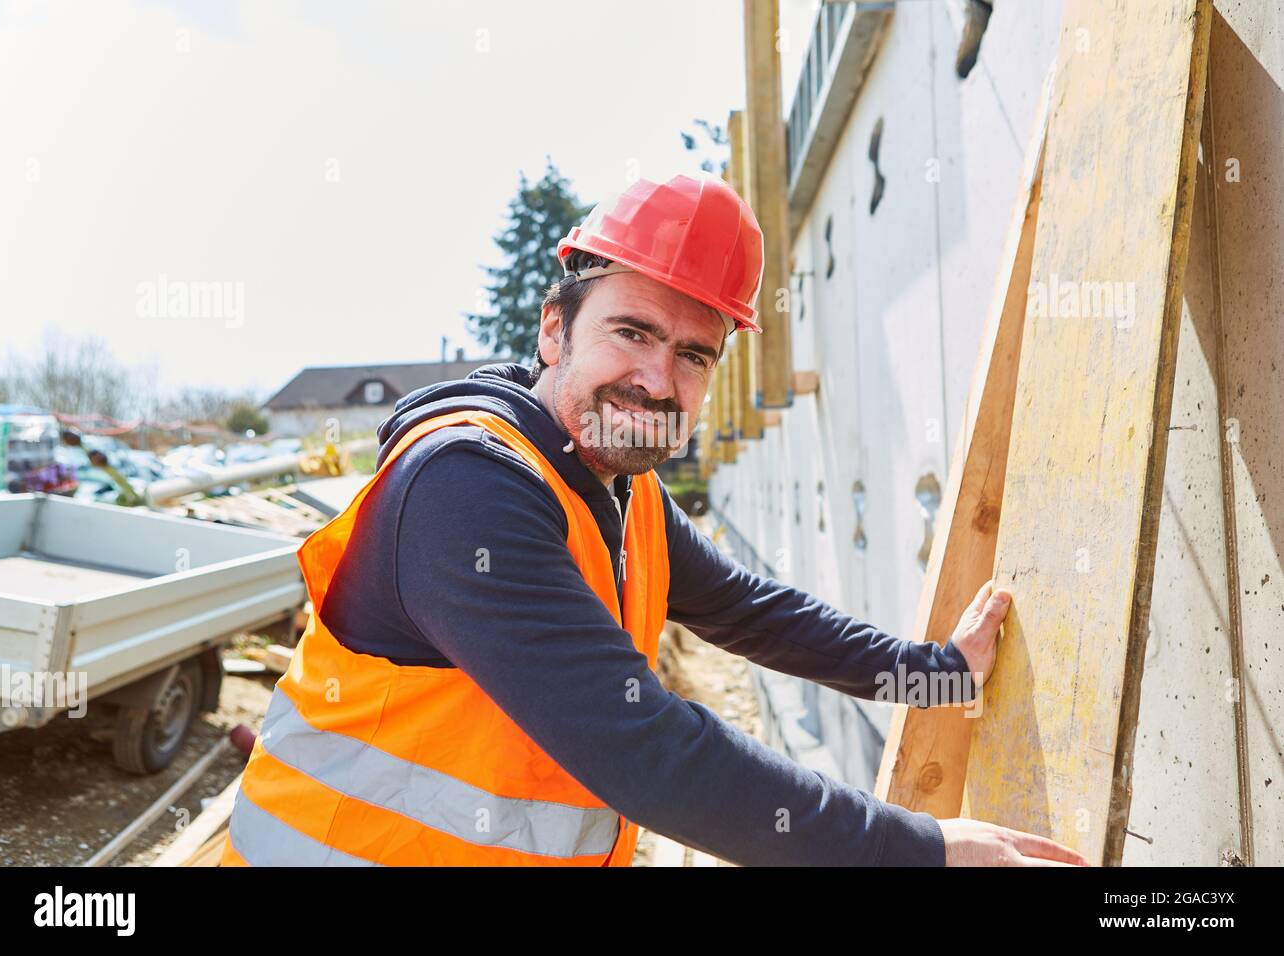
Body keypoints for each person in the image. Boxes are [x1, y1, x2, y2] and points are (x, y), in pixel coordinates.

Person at [220, 173, 1086, 867]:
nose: (658, 381)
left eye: (693, 355)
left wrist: (932, 675)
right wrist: (925, 849)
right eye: (631, 332)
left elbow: (748, 610)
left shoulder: (616, 489)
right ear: (554, 331)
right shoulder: (466, 492)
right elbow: (647, 751)